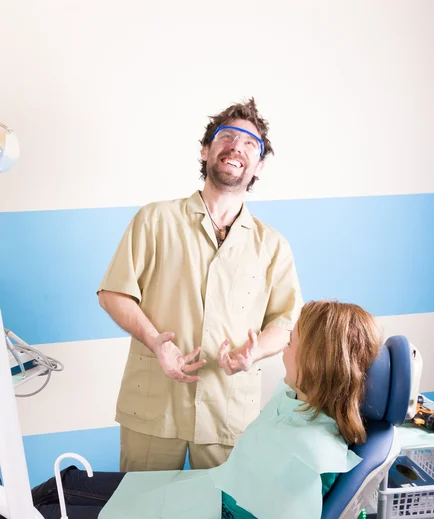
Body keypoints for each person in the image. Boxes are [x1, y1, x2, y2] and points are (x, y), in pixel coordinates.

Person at [0, 301, 382, 519]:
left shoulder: (310, 457)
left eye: (293, 341)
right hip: (205, 489)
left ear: (317, 361)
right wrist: (245, 357)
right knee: (66, 482)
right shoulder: (298, 400)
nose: (286, 345)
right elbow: (326, 359)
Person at [97, 97, 303, 472]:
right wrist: (153, 340)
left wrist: (252, 354)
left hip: (228, 412)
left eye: (250, 145)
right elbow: (114, 293)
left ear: (257, 165)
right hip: (154, 404)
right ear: (207, 149)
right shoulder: (155, 220)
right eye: (227, 137)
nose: (237, 147)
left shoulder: (272, 245)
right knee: (143, 514)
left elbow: (286, 324)